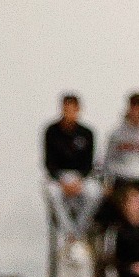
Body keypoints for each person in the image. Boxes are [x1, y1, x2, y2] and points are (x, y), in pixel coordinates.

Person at [42, 93, 99, 243]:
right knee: (53, 193)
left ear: (78, 110)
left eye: (72, 110)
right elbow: (49, 162)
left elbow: (89, 163)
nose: (69, 113)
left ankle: (78, 231)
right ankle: (69, 232)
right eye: (66, 109)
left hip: (80, 177)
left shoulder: (87, 133)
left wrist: (79, 181)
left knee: (94, 193)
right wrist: (61, 181)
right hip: (60, 177)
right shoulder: (51, 131)